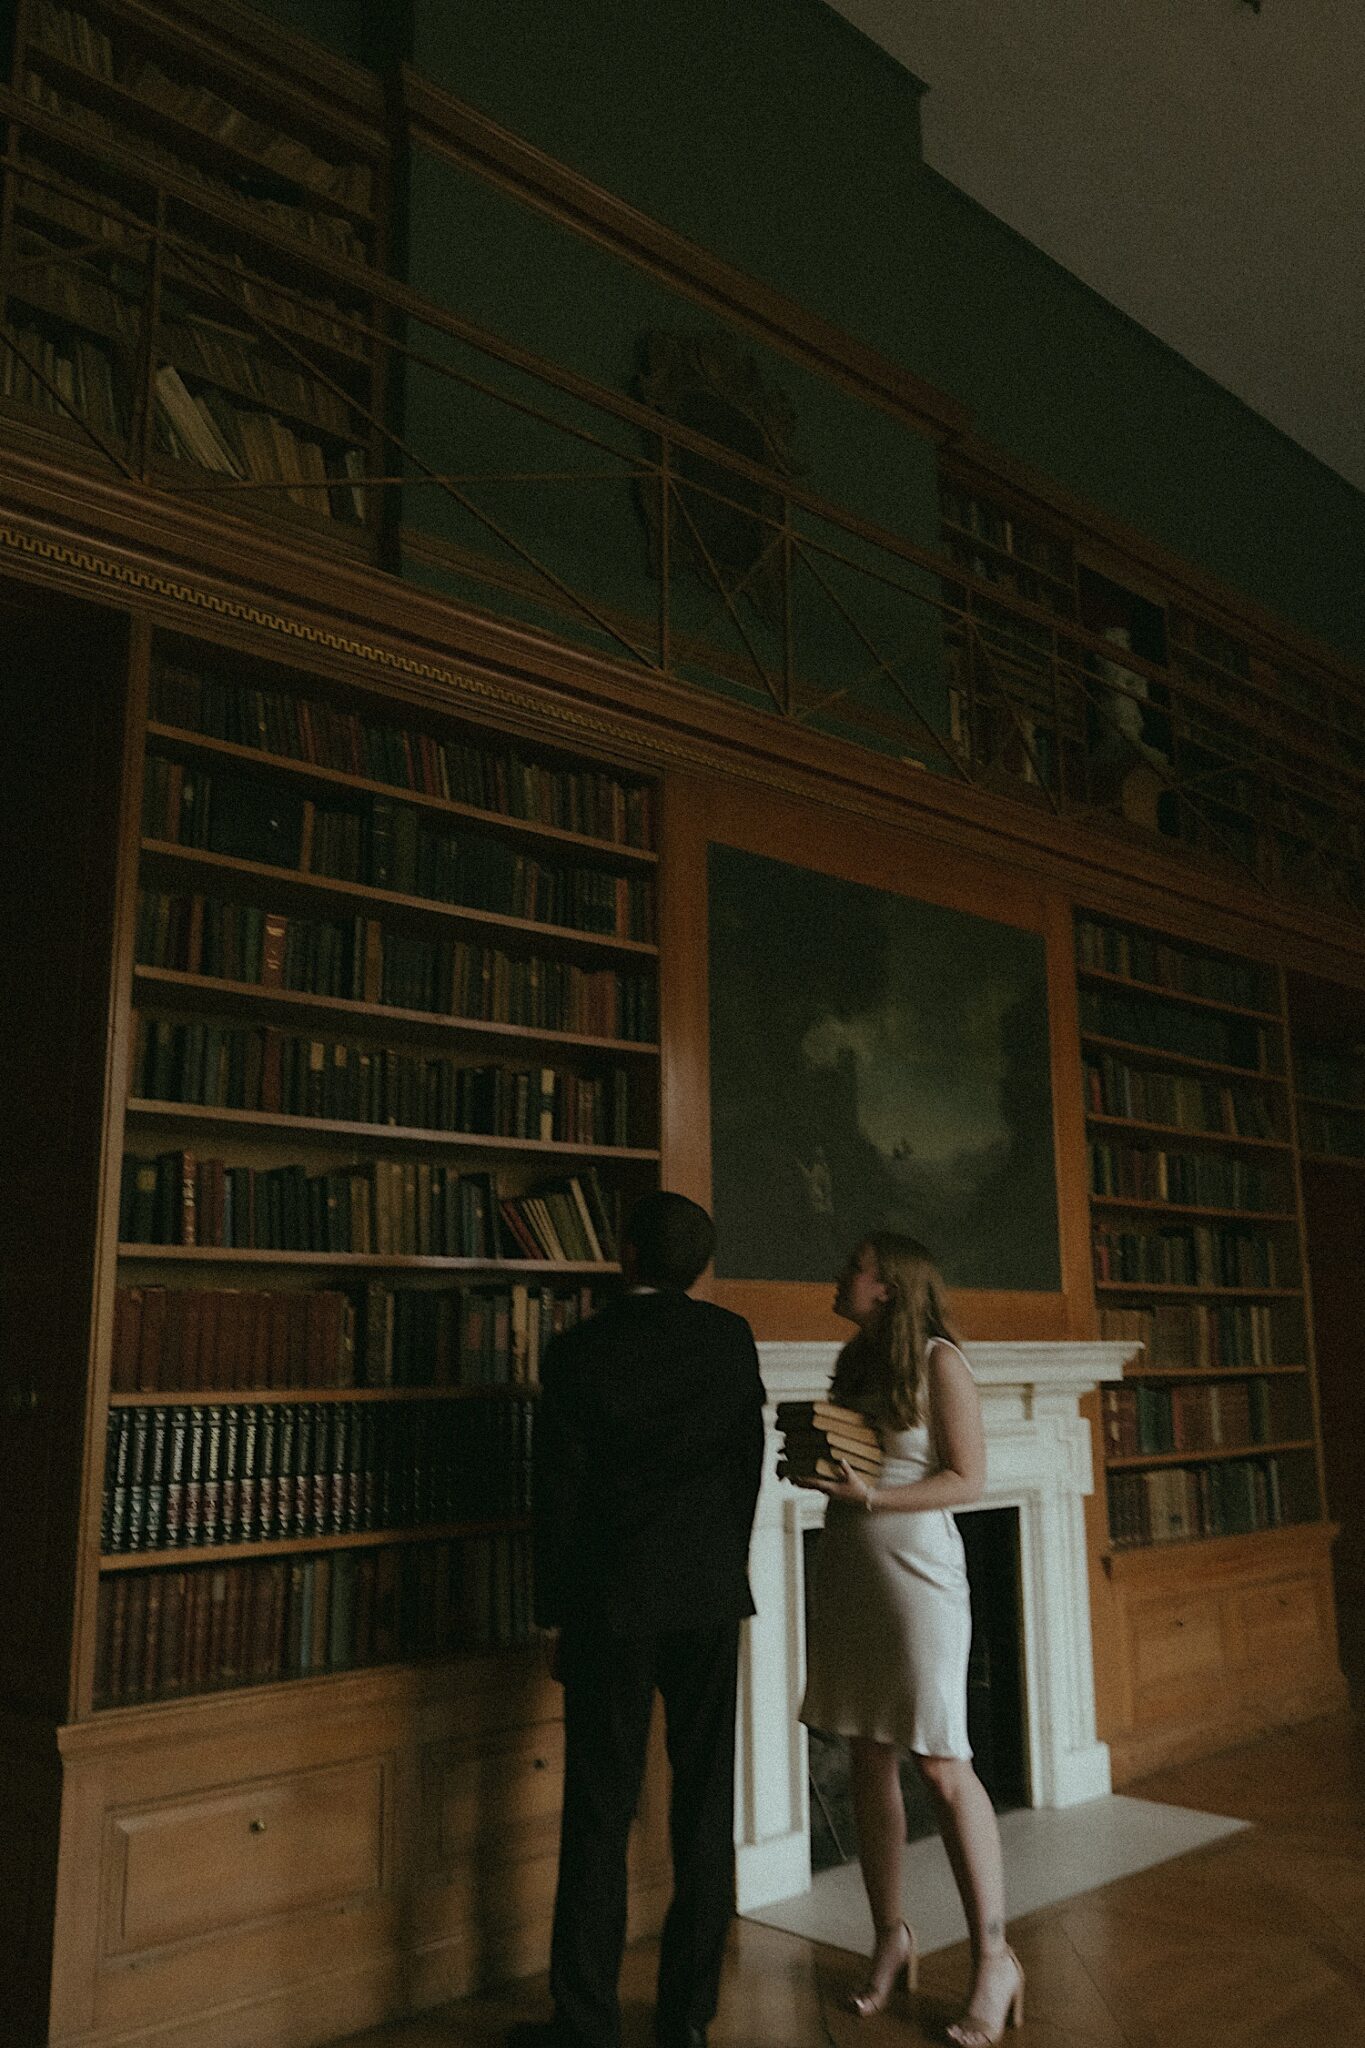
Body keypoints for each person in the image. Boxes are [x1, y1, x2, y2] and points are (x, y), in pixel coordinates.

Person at [512, 1191, 767, 2048]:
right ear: (696, 1266)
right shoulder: (729, 1338)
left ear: (624, 1253)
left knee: (598, 1809)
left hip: (609, 1604)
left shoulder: (580, 1348)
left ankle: (583, 2024)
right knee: (703, 1807)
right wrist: (720, 1563)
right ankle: (686, 2021)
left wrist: (552, 1614)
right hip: (706, 1595)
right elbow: (745, 1470)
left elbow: (557, 1494)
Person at [793, 1232, 1024, 2048]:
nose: (836, 1272)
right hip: (851, 1576)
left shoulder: (939, 1361)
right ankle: (889, 1933)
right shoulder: (854, 1359)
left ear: (886, 1285)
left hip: (918, 1582)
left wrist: (868, 1498)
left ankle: (994, 1958)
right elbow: (856, 1465)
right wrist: (816, 1468)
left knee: (940, 1762)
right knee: (864, 1751)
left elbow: (969, 1479)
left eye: (849, 1264)